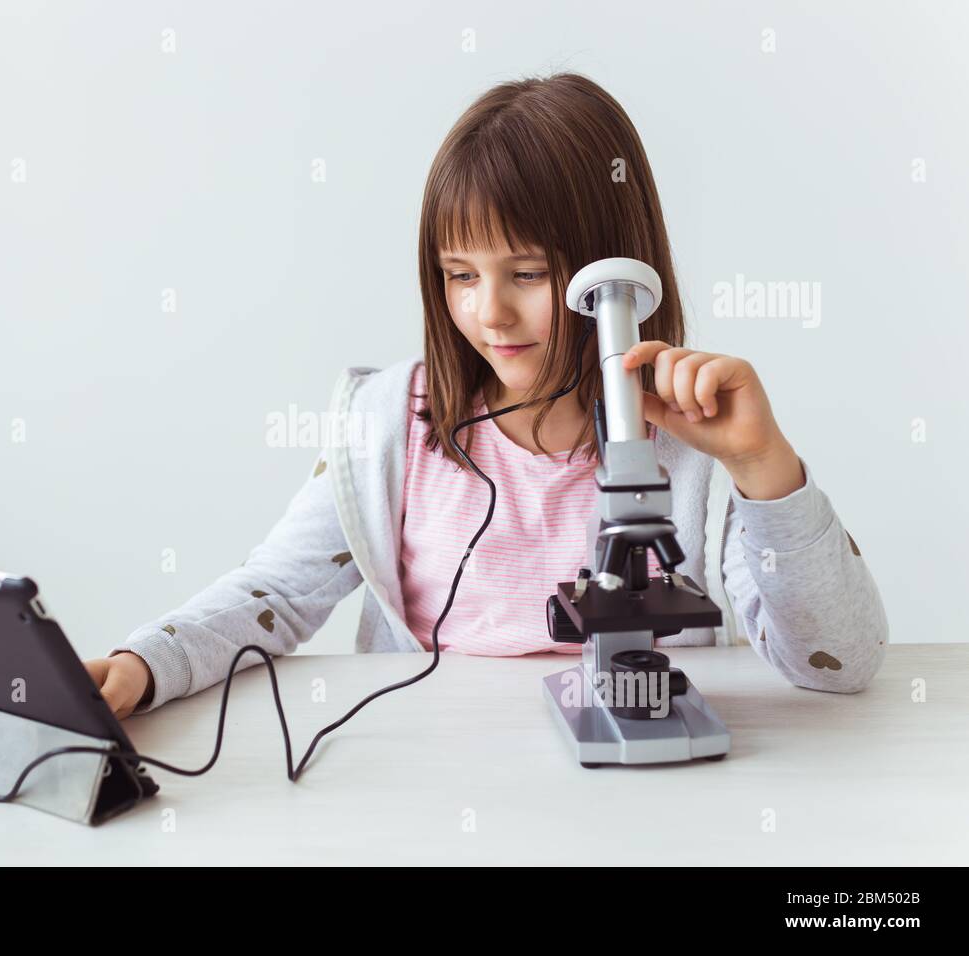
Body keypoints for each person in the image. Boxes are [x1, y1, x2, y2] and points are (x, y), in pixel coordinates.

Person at [85, 72, 887, 719]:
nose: (489, 312)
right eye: (460, 276)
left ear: (615, 272)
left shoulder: (696, 450)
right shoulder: (389, 426)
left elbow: (839, 664)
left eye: (528, 274)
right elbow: (275, 593)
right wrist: (144, 664)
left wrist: (765, 468)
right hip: (435, 782)